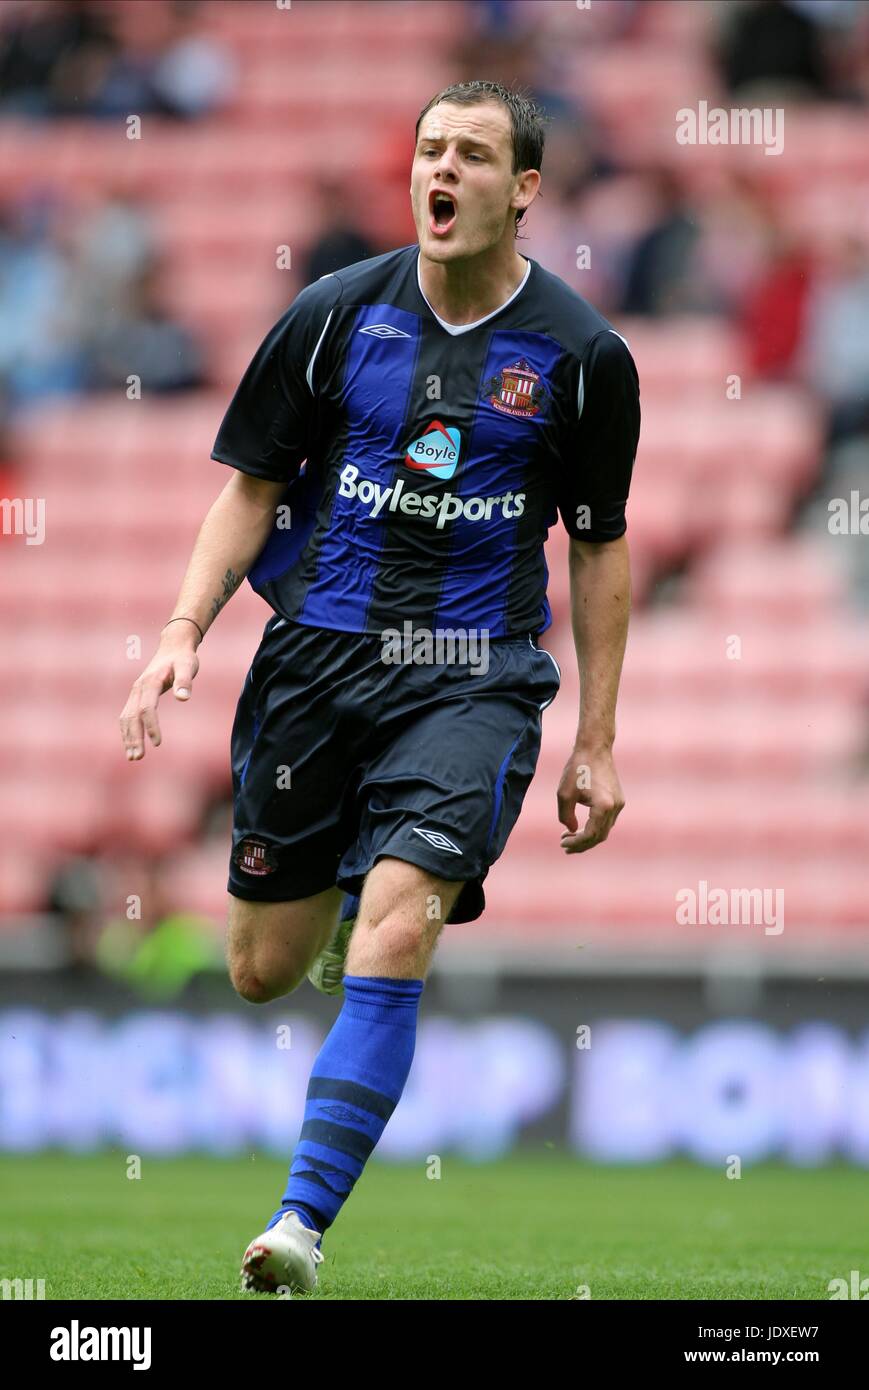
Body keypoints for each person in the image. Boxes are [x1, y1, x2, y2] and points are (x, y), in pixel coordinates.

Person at [118, 79, 640, 1295]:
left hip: (473, 673)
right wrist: (181, 627)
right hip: (317, 663)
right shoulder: (332, 315)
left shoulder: (579, 356)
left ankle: (298, 1226)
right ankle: (349, 895)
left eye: (469, 154)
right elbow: (250, 485)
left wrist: (597, 740)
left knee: (399, 918)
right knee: (260, 966)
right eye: (426, 151)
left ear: (523, 190)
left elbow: (599, 543)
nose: (439, 171)